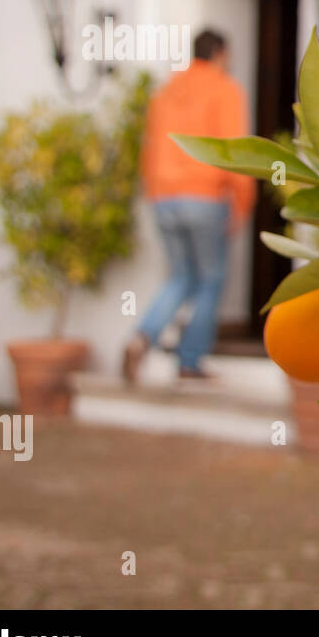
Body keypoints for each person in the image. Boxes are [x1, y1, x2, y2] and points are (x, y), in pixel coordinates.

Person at [122, 29, 254, 383]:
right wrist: (242, 200)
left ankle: (142, 338)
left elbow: (151, 146)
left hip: (164, 198)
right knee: (210, 279)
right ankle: (190, 361)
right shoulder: (225, 90)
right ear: (221, 53)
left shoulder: (165, 93)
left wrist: (156, 192)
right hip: (205, 196)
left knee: (182, 276)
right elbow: (234, 149)